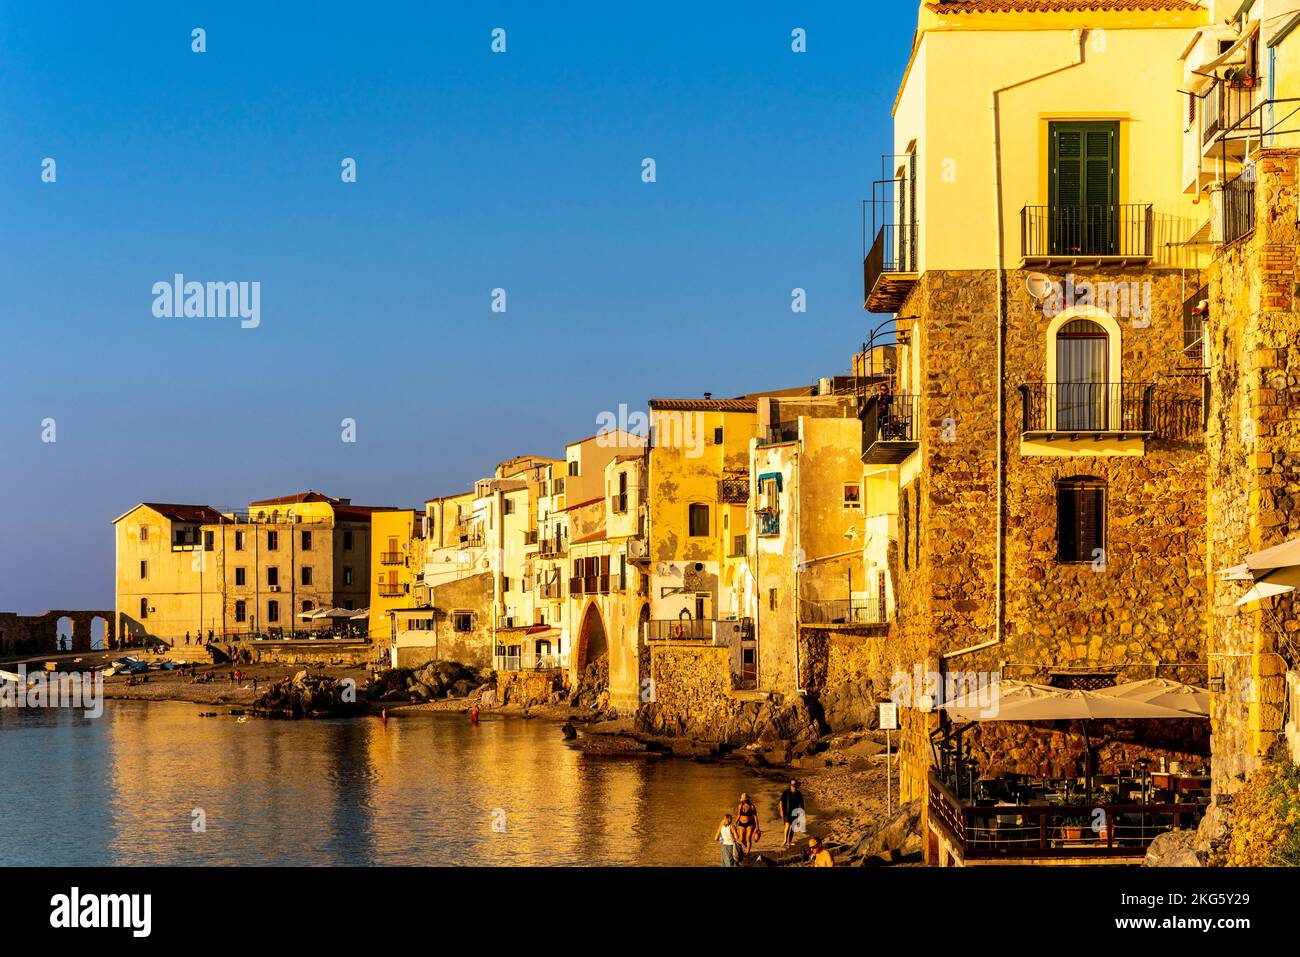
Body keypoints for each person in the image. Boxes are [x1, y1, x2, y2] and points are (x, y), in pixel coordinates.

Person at [779, 779, 806, 847]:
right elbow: (781, 802)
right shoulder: (786, 792)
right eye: (793, 785)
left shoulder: (798, 793)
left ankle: (789, 841)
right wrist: (781, 811)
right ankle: (785, 840)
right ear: (790, 785)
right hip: (787, 812)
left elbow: (801, 804)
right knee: (787, 826)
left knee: (793, 827)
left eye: (795, 785)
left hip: (795, 812)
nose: (794, 787)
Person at [735, 792, 760, 858]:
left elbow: (755, 816)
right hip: (741, 823)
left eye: (744, 799)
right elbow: (738, 815)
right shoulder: (740, 806)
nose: (744, 801)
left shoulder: (752, 806)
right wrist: (735, 823)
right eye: (743, 800)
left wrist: (757, 827)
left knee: (748, 838)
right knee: (741, 839)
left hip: (750, 824)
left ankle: (747, 853)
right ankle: (748, 848)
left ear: (747, 799)